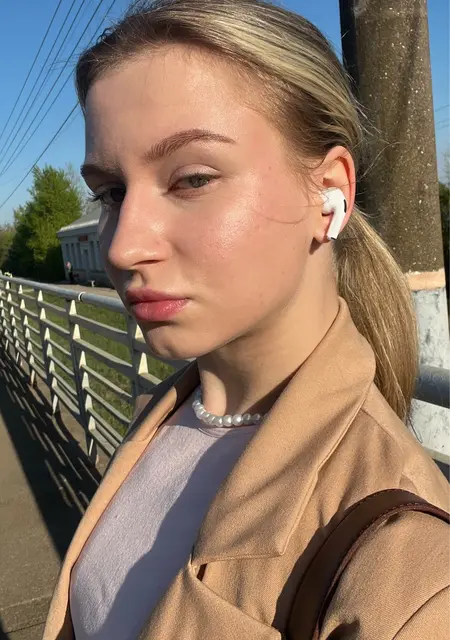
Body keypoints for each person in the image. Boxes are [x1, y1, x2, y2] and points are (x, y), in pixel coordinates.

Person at [43, 1, 449, 638]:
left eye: (192, 179)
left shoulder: (411, 569)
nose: (122, 247)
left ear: (330, 194)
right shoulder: (168, 415)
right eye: (112, 192)